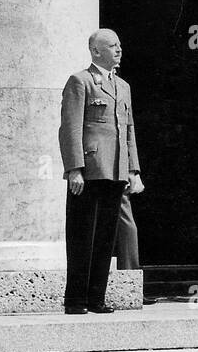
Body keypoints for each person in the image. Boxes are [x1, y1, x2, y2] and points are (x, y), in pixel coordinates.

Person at [59, 29, 144, 314]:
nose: (119, 49)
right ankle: (75, 300)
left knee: (106, 238)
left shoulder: (123, 86)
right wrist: (74, 168)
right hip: (90, 169)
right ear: (96, 51)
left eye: (119, 44)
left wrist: (133, 170)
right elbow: (70, 128)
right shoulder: (80, 81)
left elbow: (128, 130)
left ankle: (96, 298)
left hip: (116, 169)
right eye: (111, 45)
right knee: (83, 236)